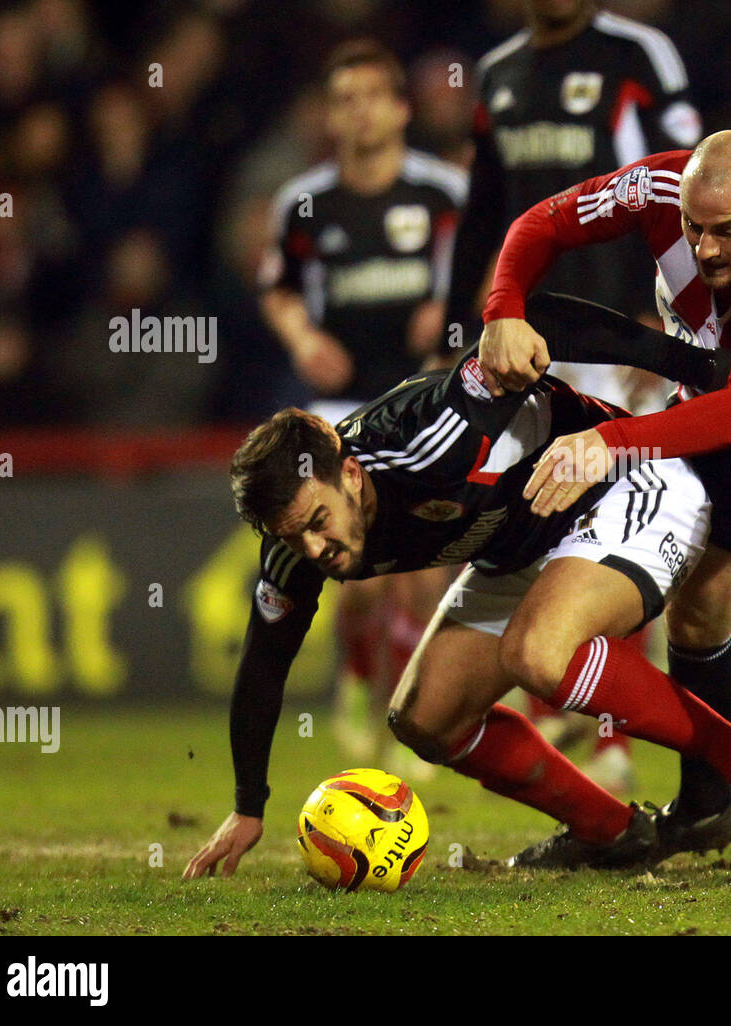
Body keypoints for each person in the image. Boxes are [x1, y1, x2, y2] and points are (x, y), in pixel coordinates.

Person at [182, 298, 731, 878]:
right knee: (424, 718)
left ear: (350, 471)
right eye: (294, 539)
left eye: (317, 524)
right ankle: (611, 832)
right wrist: (247, 806)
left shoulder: (436, 430)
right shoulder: (298, 546)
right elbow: (263, 663)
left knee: (537, 653)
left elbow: (536, 323)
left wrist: (694, 365)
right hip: (521, 546)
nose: (316, 551)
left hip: (628, 484)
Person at [476, 130, 731, 877]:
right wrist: (503, 306)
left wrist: (613, 442)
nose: (705, 247)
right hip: (708, 413)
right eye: (695, 227)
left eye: (728, 231)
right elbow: (540, 224)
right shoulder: (657, 186)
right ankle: (702, 808)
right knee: (696, 616)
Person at [447, 0, 703, 789]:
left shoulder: (640, 54)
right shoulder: (498, 75)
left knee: (617, 524)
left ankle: (623, 736)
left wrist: (665, 326)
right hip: (525, 345)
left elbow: (693, 184)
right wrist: (465, 323)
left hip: (616, 342)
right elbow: (484, 216)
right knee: (532, 524)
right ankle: (560, 704)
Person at [258, 40, 466, 767]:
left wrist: (446, 318)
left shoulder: (443, 194)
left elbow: (480, 280)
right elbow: (277, 288)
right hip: (339, 402)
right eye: (345, 98)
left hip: (421, 397)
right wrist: (301, 336)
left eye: (373, 95)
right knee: (355, 572)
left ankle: (408, 715)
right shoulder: (304, 202)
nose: (361, 110)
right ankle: (355, 679)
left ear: (401, 108)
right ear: (330, 114)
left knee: (422, 567)